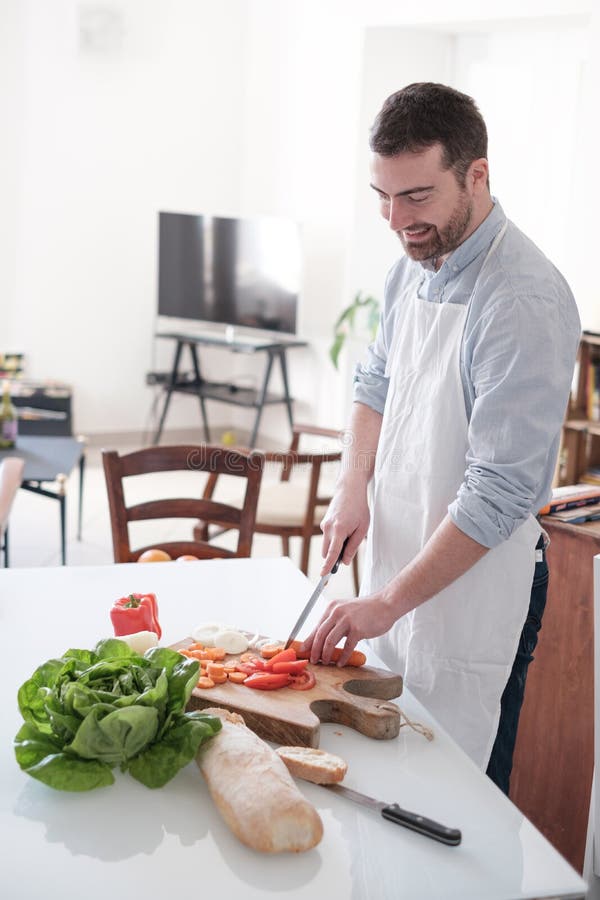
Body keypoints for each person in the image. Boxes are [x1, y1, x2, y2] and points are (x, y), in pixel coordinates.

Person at [302, 82, 581, 793]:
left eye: (417, 197)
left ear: (477, 175)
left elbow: (498, 492)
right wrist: (351, 488)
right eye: (383, 197)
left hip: (476, 592)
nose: (396, 221)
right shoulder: (410, 269)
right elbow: (374, 384)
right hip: (398, 571)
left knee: (459, 804)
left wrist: (386, 602)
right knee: (390, 785)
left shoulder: (520, 298)